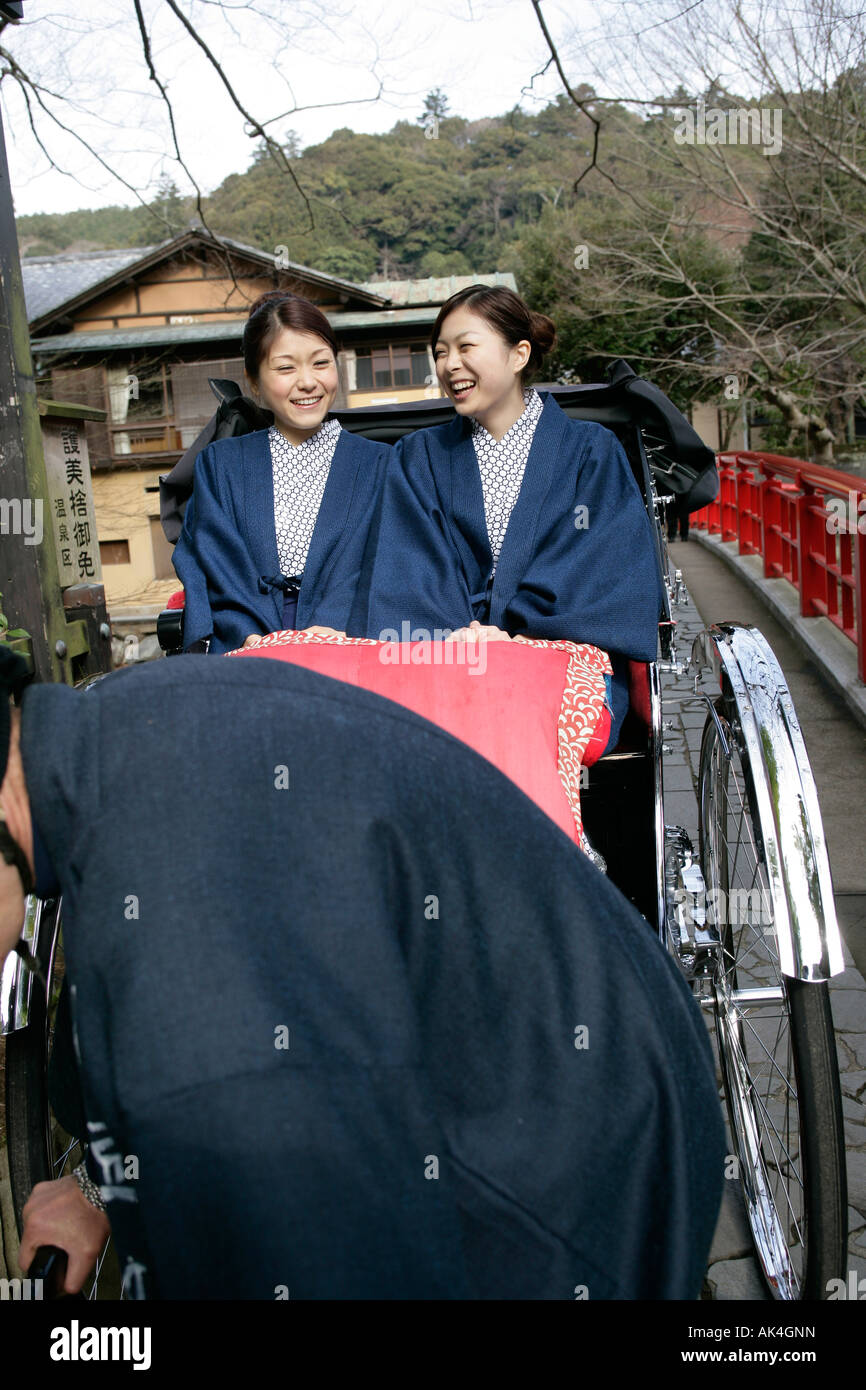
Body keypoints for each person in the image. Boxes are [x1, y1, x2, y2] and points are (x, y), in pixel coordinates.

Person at [0, 646, 725, 1300]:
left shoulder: (174, 901)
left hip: (581, 1150)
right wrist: (102, 1184)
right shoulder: (129, 730)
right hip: (551, 1041)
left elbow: (308, 1236)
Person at [360, 286, 664, 750]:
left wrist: (513, 638)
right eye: (440, 353)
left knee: (516, 722)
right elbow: (408, 570)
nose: (449, 365)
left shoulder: (591, 452)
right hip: (447, 658)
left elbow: (601, 567)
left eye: (465, 347)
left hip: (562, 658)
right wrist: (463, 639)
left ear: (519, 354)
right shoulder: (418, 457)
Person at [171, 291, 390, 654]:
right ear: (254, 381)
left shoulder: (381, 464)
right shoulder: (220, 465)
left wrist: (334, 626)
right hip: (248, 645)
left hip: (349, 640)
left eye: (321, 363)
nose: (307, 382)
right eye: (286, 368)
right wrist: (249, 634)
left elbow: (385, 561)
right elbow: (213, 564)